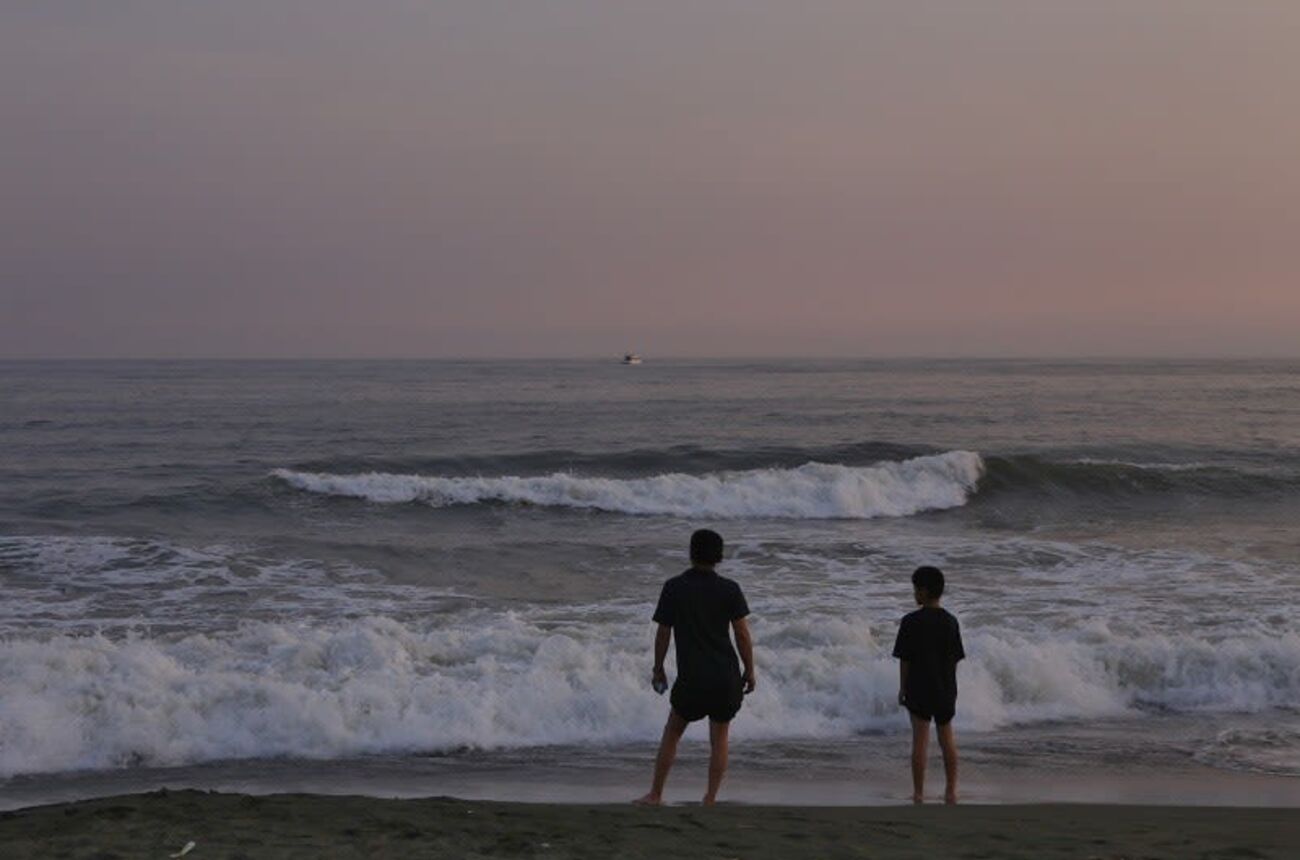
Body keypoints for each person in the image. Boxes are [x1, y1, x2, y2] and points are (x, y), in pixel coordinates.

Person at [635, 529, 755, 806]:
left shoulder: (674, 587)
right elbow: (742, 635)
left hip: (693, 678)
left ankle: (655, 794)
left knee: (673, 731)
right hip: (725, 677)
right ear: (719, 556)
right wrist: (749, 670)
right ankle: (710, 798)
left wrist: (658, 668)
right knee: (720, 737)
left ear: (691, 553)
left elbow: (663, 632)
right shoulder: (729, 589)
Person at [892, 565, 965, 804]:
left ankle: (919, 793)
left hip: (918, 687)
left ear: (923, 591)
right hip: (945, 688)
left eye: (915, 589)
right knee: (947, 740)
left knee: (920, 741)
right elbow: (955, 659)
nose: (914, 594)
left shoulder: (910, 622)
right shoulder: (951, 622)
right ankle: (951, 791)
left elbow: (905, 659)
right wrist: (951, 689)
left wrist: (903, 688)